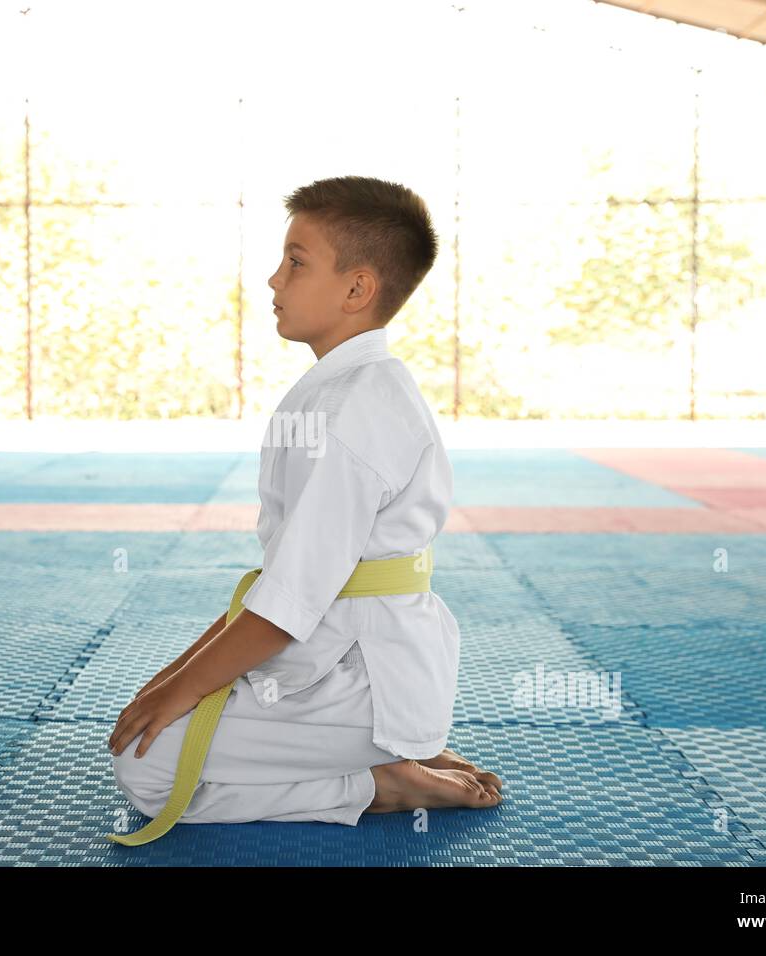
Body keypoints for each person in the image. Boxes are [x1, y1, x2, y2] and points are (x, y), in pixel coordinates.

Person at [108, 175, 505, 827]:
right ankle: (390, 757)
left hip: (364, 681)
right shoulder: (347, 388)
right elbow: (281, 583)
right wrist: (171, 679)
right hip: (348, 659)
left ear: (357, 289)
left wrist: (181, 687)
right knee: (154, 718)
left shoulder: (351, 409)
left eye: (296, 262)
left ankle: (381, 782)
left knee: (145, 768)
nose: (273, 280)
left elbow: (290, 598)